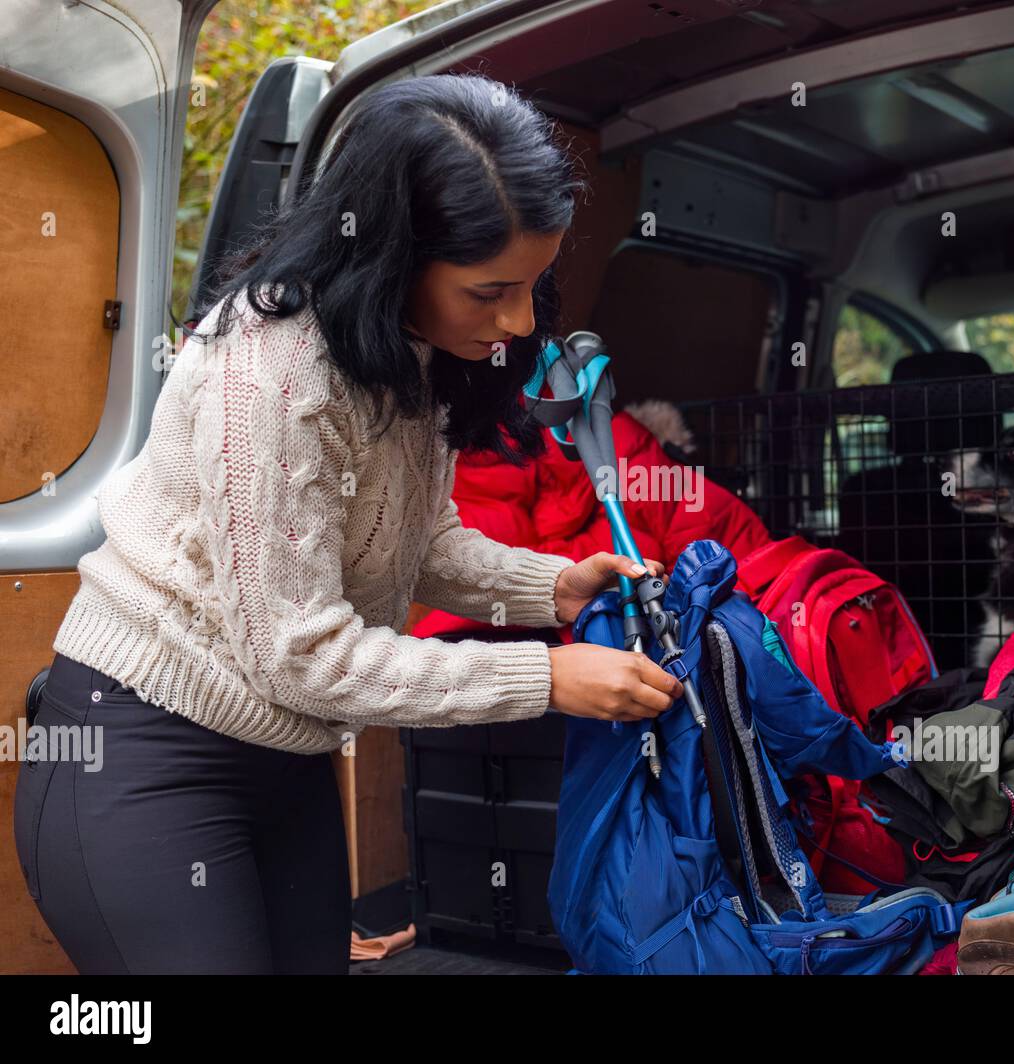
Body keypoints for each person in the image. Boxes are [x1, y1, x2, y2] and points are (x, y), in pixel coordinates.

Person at [13, 73, 682, 975]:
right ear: (396, 257)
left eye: (533, 285)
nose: (520, 320)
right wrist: (547, 677)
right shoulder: (275, 374)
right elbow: (302, 654)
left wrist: (550, 586)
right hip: (144, 754)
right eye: (491, 292)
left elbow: (417, 539)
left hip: (282, 759)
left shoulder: (413, 350)